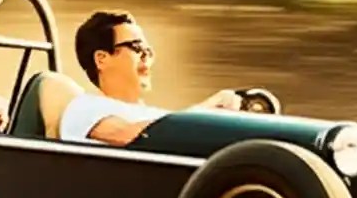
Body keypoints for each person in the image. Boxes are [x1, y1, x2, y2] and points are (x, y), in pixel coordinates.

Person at [58, 10, 241, 146]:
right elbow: (133, 137)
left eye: (148, 51)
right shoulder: (85, 106)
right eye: (137, 48)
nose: (146, 57)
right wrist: (208, 109)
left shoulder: (155, 115)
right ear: (102, 59)